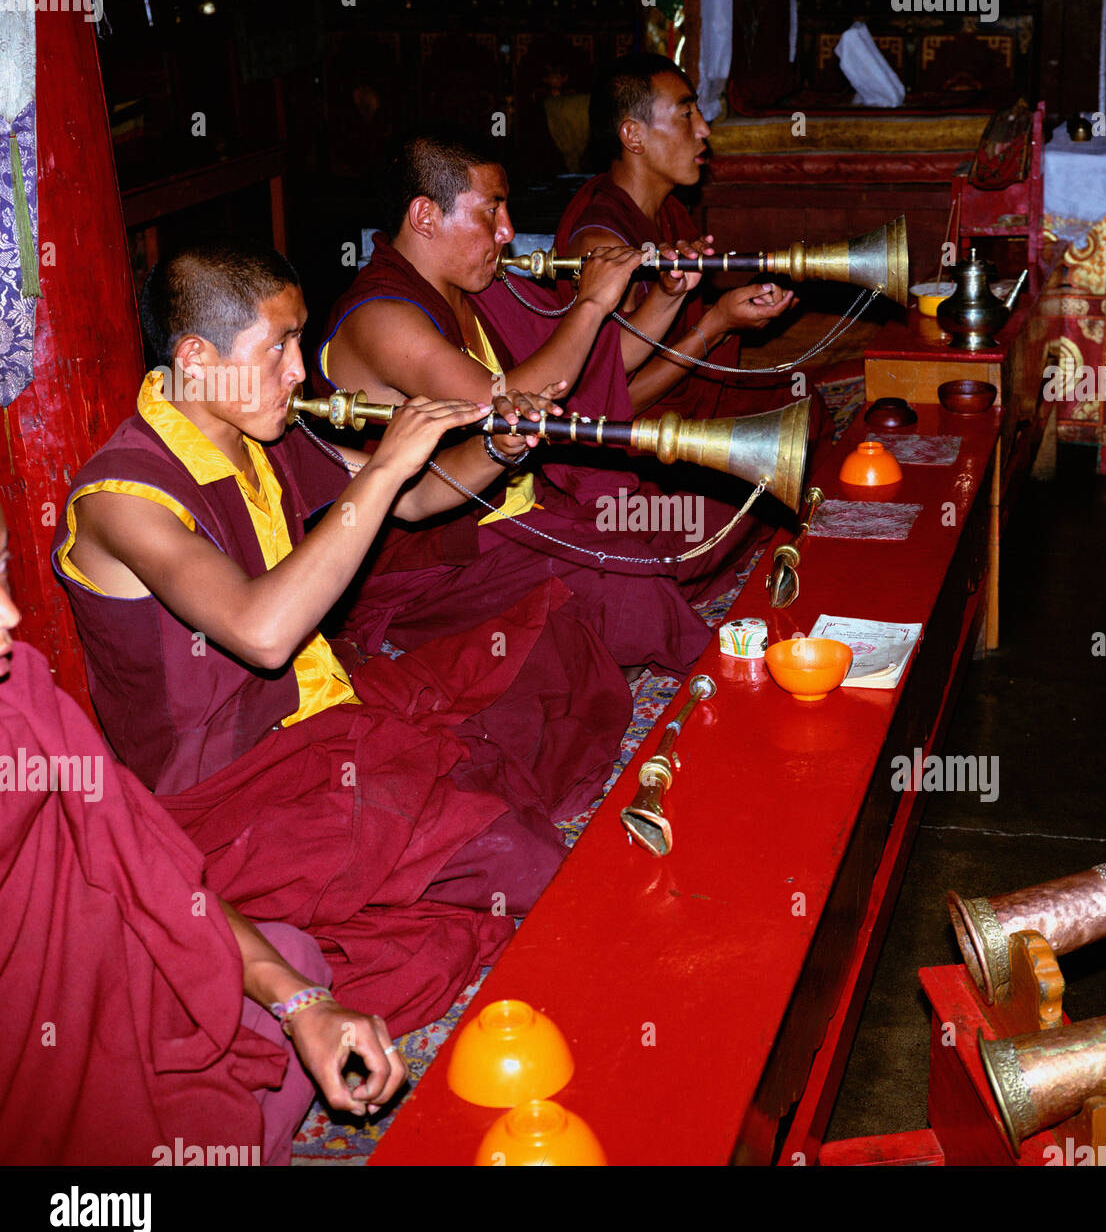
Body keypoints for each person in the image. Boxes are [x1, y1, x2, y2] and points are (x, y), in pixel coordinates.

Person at [52, 242, 631, 1036]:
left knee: (543, 669)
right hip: (223, 785)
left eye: (299, 342)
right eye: (279, 347)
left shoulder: (256, 428)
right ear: (196, 358)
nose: (299, 372)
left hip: (317, 717)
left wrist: (497, 445)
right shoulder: (122, 497)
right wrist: (385, 469)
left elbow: (419, 500)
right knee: (511, 869)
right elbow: (261, 634)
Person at [0, 503, 405, 1165]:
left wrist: (303, 1006)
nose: (11, 617)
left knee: (292, 961)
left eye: (1, 570)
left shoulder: (21, 700)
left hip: (108, 1006)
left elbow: (153, 878)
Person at [318, 133, 762, 674]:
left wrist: (669, 296)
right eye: (491, 210)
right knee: (634, 582)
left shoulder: (476, 286)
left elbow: (594, 364)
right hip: (442, 553)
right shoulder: (383, 318)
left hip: (528, 503)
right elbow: (506, 405)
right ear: (425, 215)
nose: (506, 230)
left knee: (714, 508)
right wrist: (594, 300)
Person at [554, 54, 799, 419]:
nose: (704, 129)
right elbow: (614, 400)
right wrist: (716, 326)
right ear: (633, 135)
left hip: (684, 406)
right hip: (639, 446)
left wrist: (734, 316)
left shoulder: (669, 211)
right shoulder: (600, 244)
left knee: (799, 404)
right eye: (686, 114)